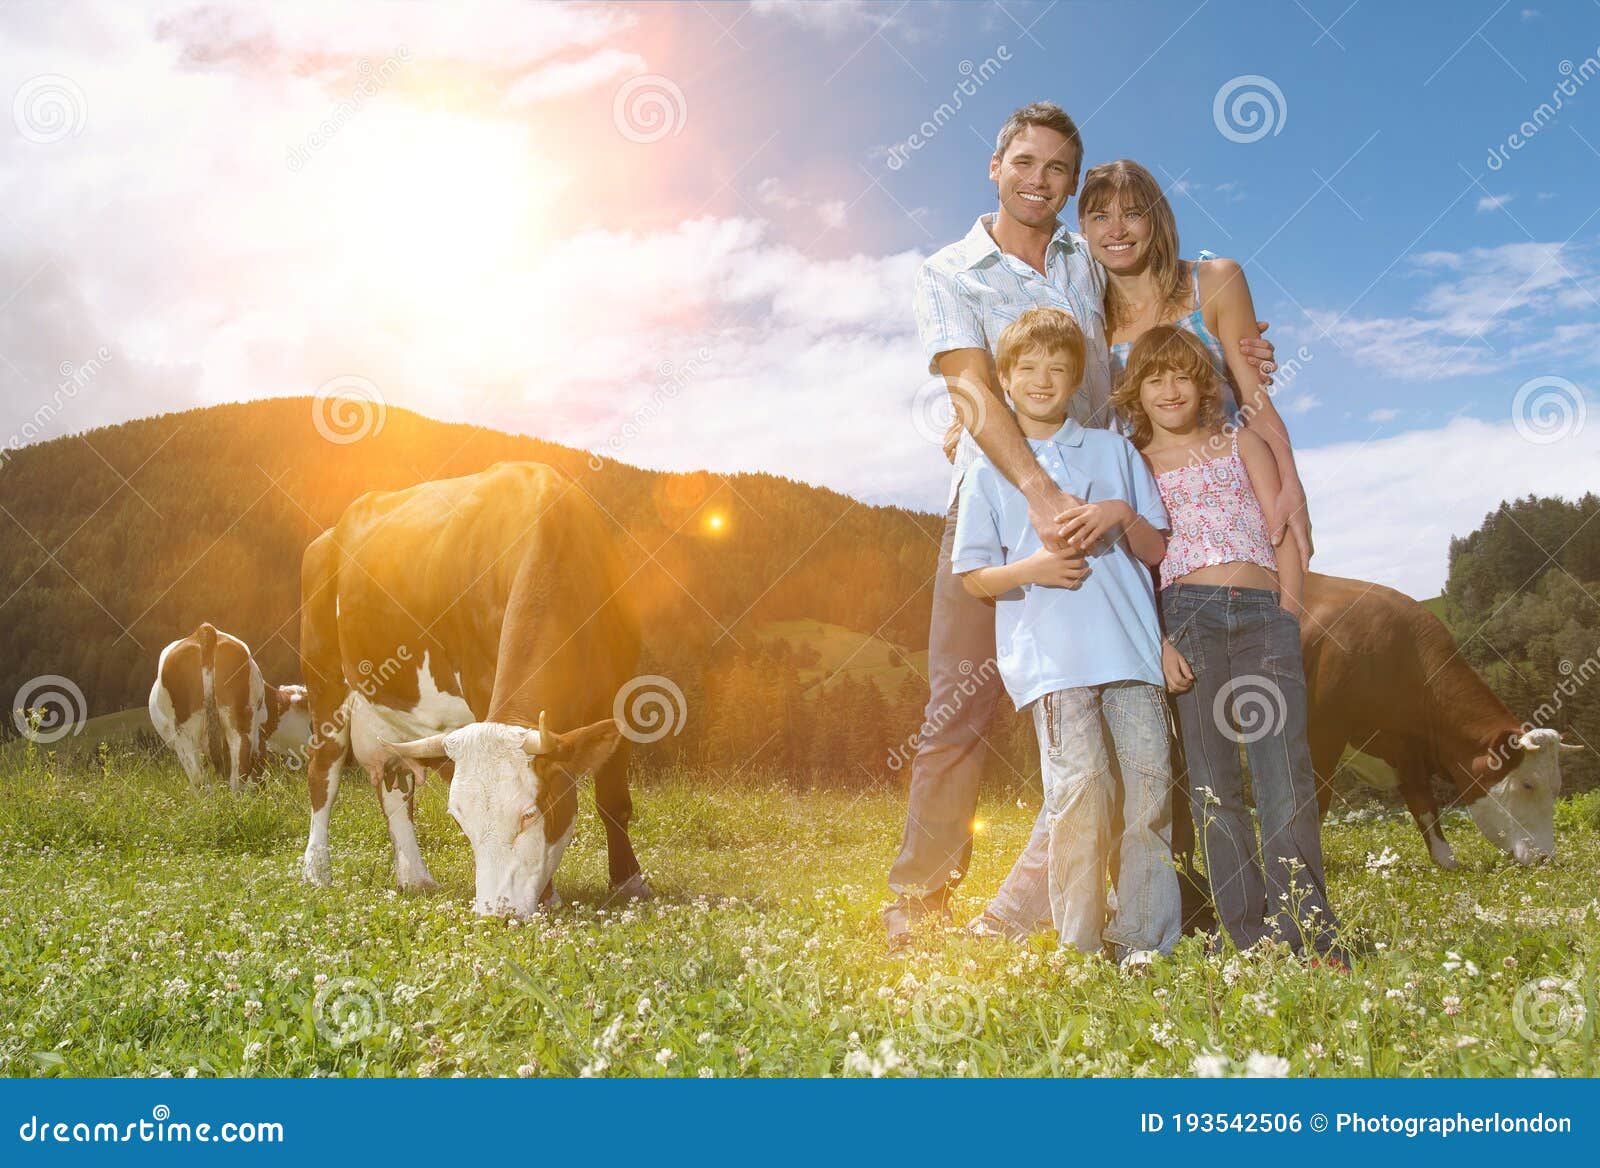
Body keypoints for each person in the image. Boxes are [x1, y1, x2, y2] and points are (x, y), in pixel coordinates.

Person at [887, 101, 1278, 950]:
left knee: (1136, 700)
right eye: (1025, 162)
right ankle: (919, 898)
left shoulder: (1080, 260)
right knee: (962, 703)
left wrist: (1236, 337)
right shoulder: (950, 271)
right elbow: (970, 388)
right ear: (995, 165)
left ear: (1071, 185)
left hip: (1107, 503)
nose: (1041, 180)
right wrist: (1034, 489)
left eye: (1059, 169)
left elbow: (1157, 298)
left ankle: (1140, 899)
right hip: (997, 503)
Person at [952, 308, 1179, 959]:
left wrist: (1119, 512)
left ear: (1077, 375)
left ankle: (1143, 941)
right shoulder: (989, 472)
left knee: (1149, 798)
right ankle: (1078, 947)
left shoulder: (1113, 451)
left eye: (1058, 367)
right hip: (1054, 664)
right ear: (1004, 377)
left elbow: (1157, 550)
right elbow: (974, 577)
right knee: (1079, 797)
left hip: (1131, 655)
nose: (1043, 379)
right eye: (1028, 368)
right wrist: (1035, 568)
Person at [1116, 325, 1346, 965]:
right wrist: (1158, 640)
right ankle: (1250, 936)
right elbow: (1133, 565)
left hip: (1262, 614)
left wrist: (1288, 615)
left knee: (1284, 774)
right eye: (1154, 377)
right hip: (1186, 618)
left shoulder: (1241, 442)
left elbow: (1285, 535)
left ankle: (1310, 933)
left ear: (1203, 384)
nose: (1169, 389)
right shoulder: (1132, 462)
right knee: (1214, 782)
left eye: (1181, 375)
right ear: (1137, 389)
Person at [1079, 158, 1311, 566]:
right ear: (1084, 229)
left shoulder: (1217, 282)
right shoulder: (1088, 322)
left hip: (1231, 498)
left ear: (1157, 220)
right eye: (1101, 216)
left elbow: (1255, 402)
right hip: (1146, 516)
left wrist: (1291, 484)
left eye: (1132, 214)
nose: (1116, 230)